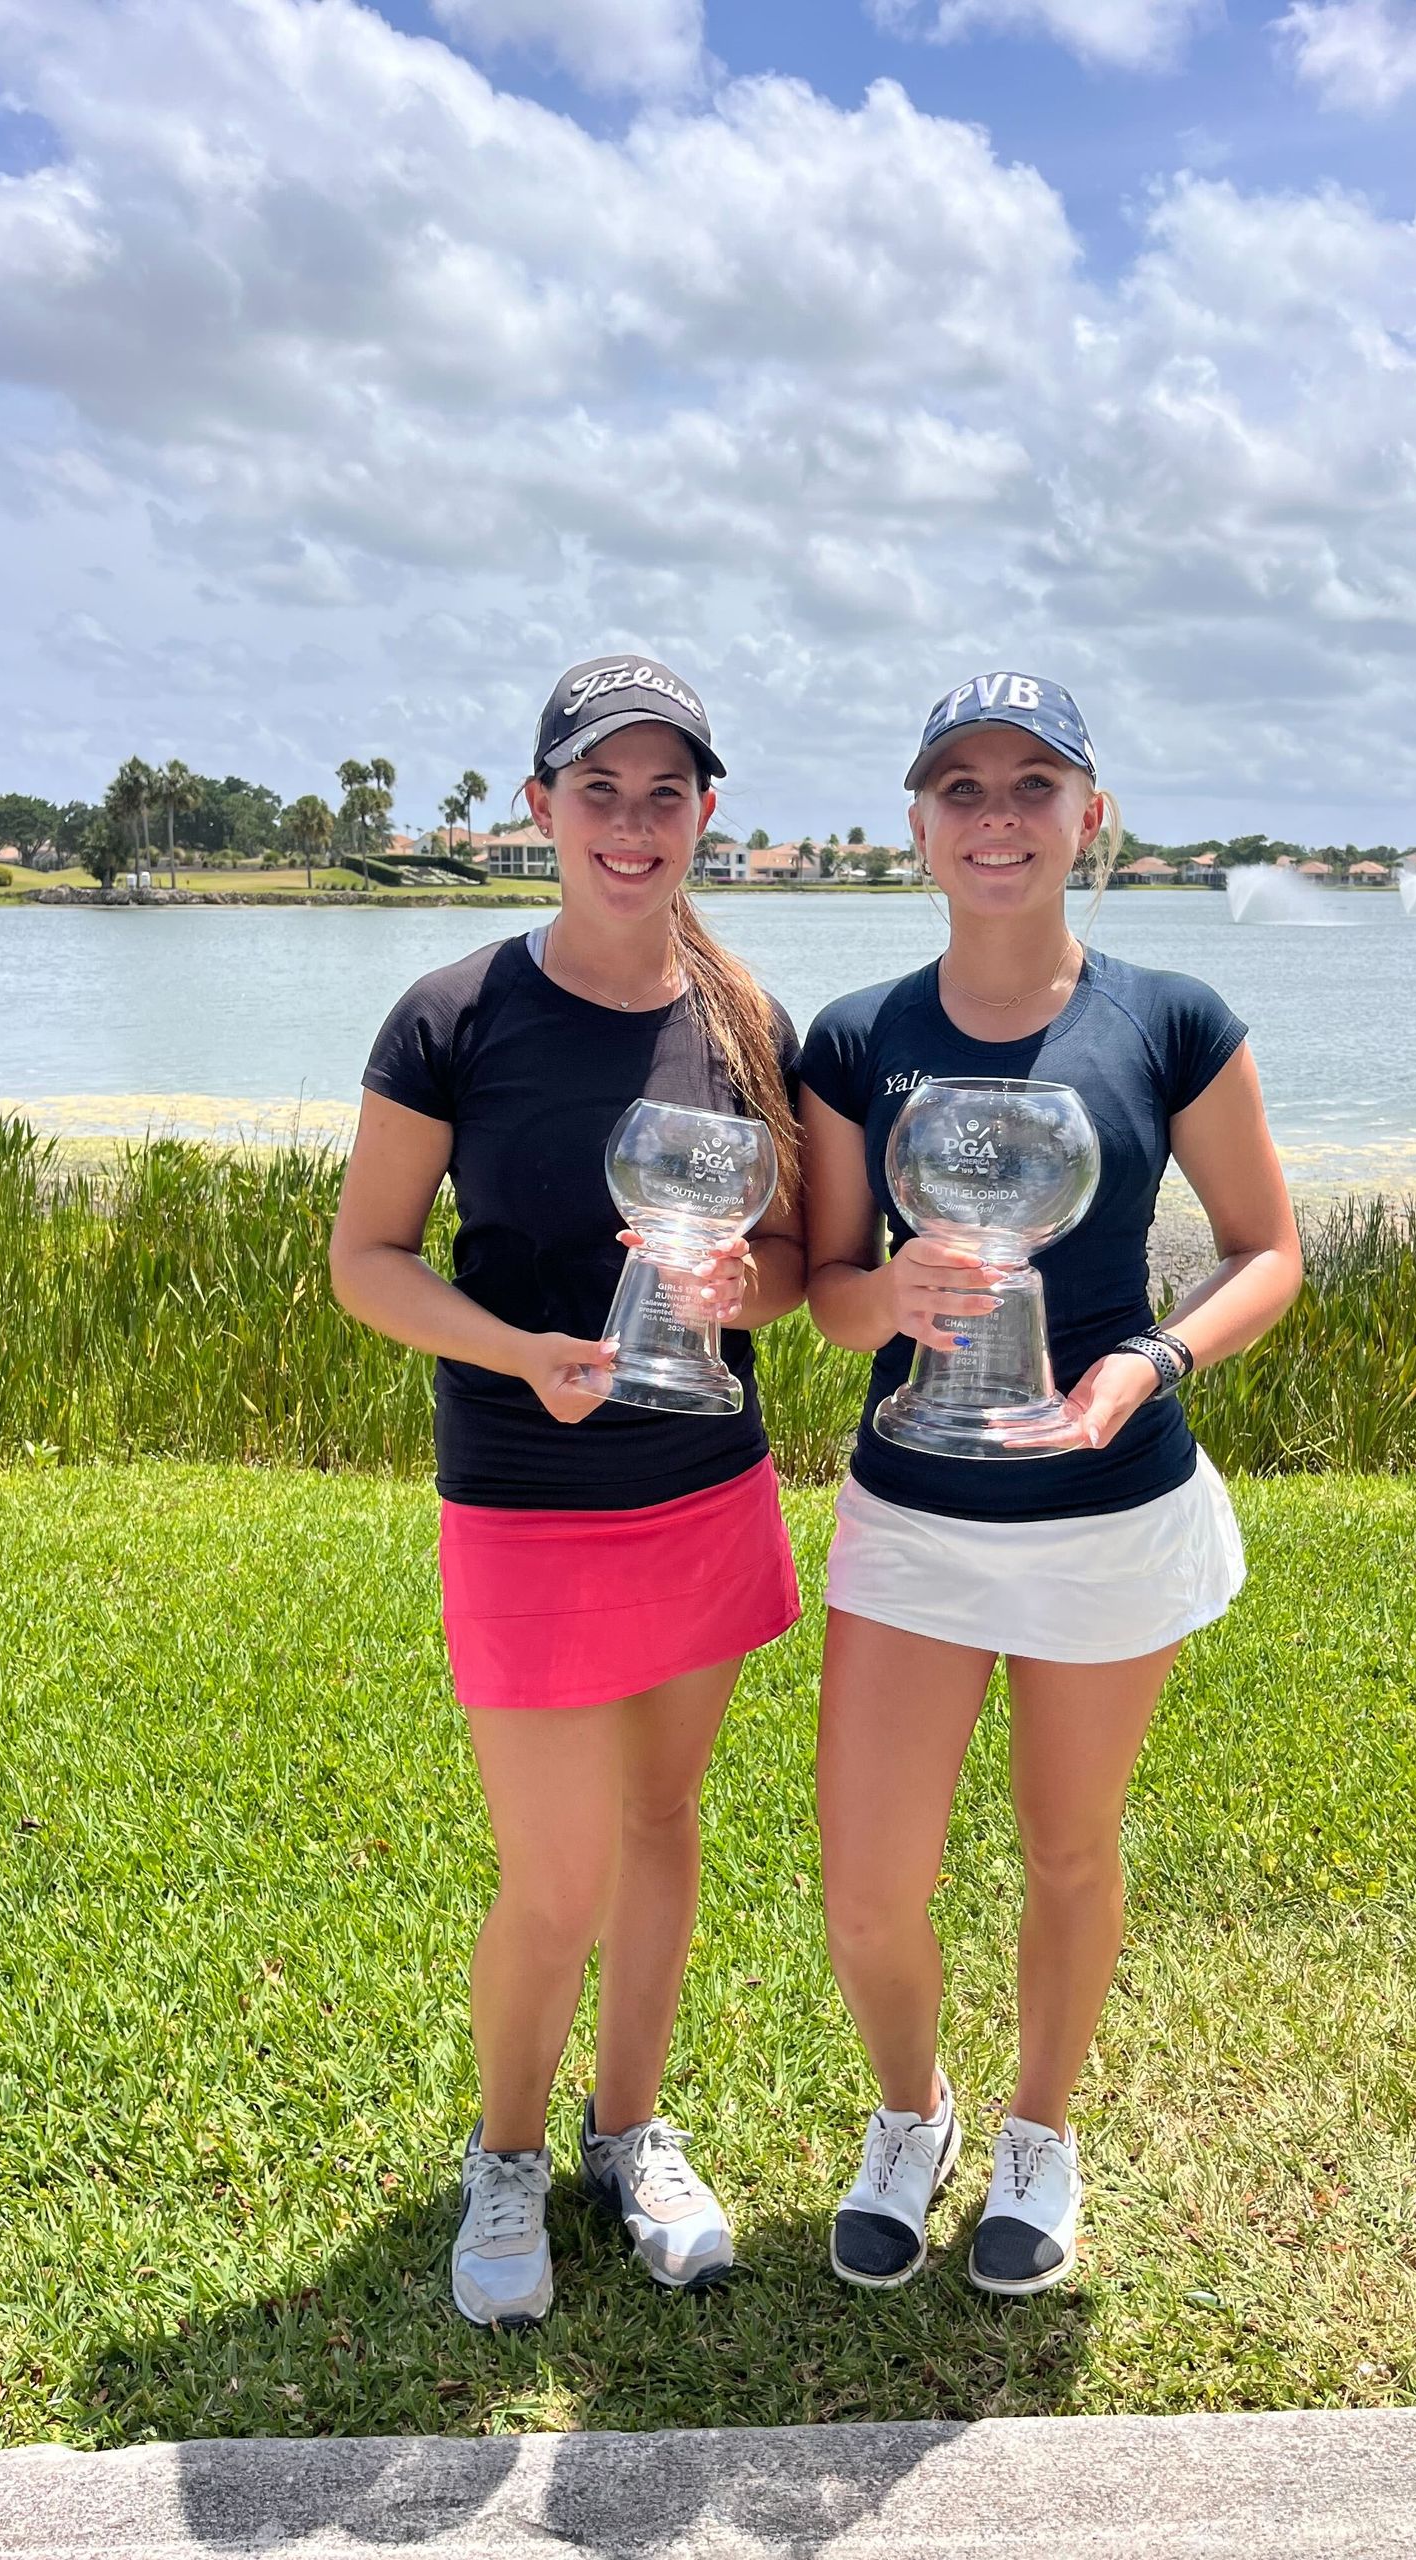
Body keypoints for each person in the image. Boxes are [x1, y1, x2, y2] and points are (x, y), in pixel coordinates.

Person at [799, 673, 1303, 2298]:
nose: (996, 814)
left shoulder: (1171, 1019)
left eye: (1034, 784)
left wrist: (1149, 1364)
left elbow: (1266, 1253)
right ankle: (911, 2113)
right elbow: (820, 1284)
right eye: (960, 786)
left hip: (1110, 1511)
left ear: (1093, 816)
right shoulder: (859, 1040)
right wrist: (893, 1298)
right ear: (919, 829)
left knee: (1068, 1851)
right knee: (871, 1883)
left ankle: (1040, 2136)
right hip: (915, 1510)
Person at [329, 657, 804, 2330]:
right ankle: (509, 2157)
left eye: (662, 794)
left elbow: (799, 1267)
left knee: (665, 1827)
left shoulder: (751, 1024)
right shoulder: (453, 1014)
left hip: (702, 1479)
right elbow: (367, 1263)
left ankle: (629, 2131)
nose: (629, 824)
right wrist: (517, 1349)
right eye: (596, 792)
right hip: (524, 1493)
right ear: (539, 808)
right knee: (555, 1877)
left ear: (703, 818)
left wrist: (748, 1293)